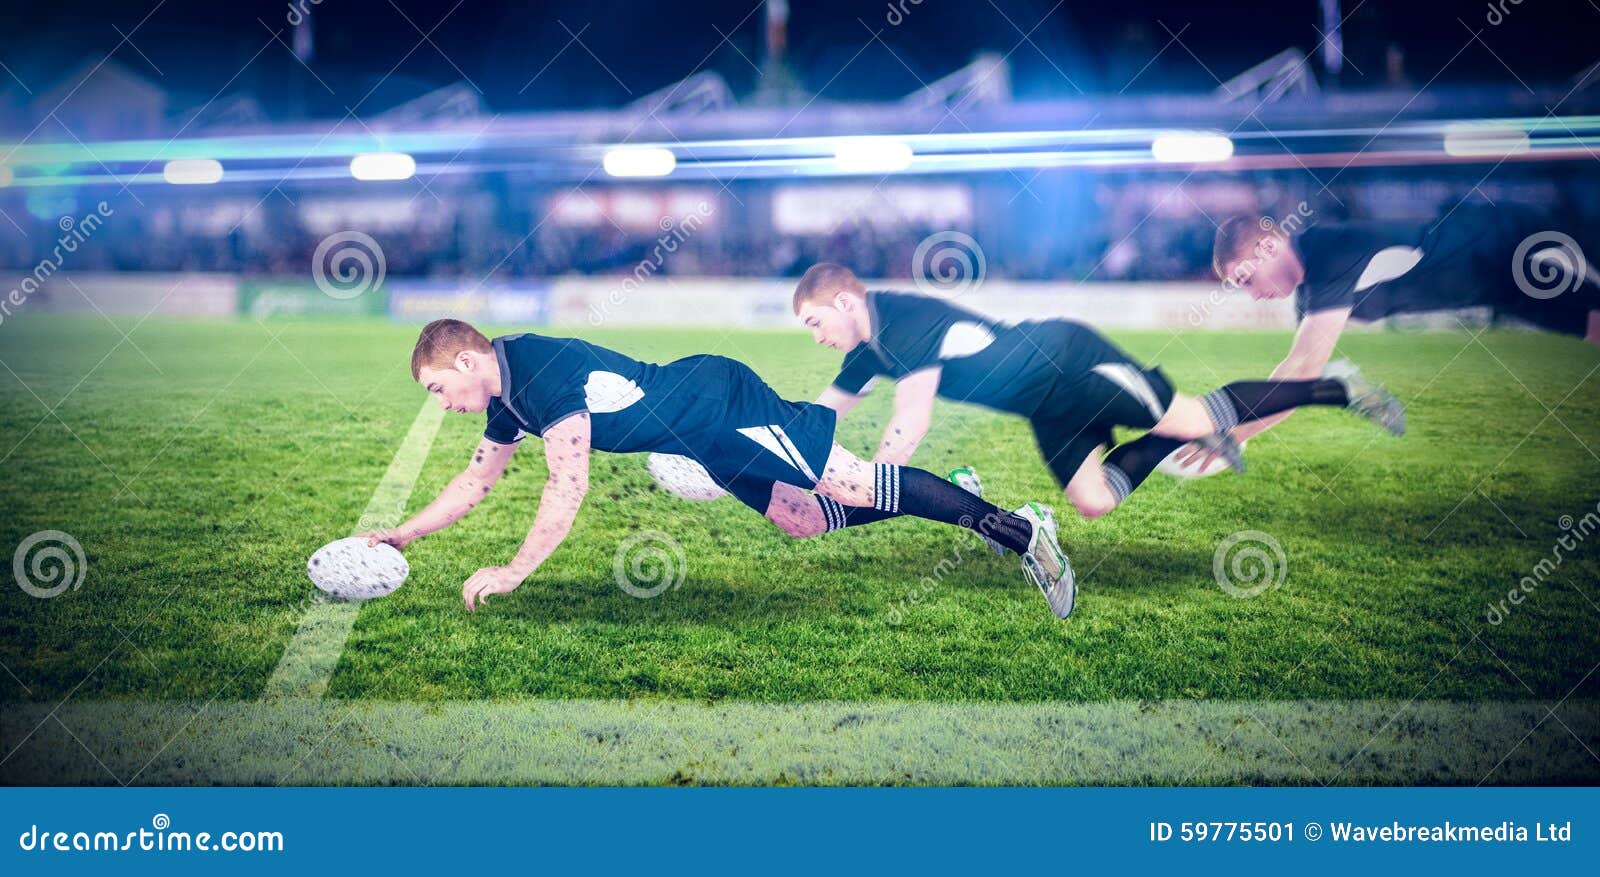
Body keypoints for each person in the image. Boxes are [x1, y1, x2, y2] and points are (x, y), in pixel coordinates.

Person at [360, 319, 1078, 618]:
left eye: (437, 389)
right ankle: (962, 500)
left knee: (854, 481)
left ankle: (1023, 532)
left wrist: (514, 570)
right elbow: (476, 479)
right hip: (700, 435)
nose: (442, 404)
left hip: (720, 402)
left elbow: (567, 483)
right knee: (806, 519)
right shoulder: (508, 395)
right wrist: (403, 534)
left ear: (463, 361)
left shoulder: (538, 371)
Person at [791, 263, 1404, 524]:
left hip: (1070, 362)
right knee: (1093, 500)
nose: (817, 337)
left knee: (1193, 416)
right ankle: (1167, 440)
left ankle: (1334, 386)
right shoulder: (868, 348)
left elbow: (911, 419)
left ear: (846, 302)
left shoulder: (900, 319)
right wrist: (771, 460)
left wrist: (871, 490)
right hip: (1046, 406)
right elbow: (821, 412)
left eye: (816, 322)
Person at [1187, 202, 1598, 469]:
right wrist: (1345, 388)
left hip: (1517, 245)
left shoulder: (1328, 253)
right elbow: (1297, 379)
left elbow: (1301, 371)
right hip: (1506, 287)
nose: (1254, 295)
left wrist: (1233, 435)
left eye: (1245, 279)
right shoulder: (1314, 291)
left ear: (1270, 247)